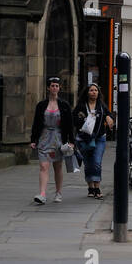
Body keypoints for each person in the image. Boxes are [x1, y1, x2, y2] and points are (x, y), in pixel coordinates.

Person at [29, 76, 79, 204]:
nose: (54, 88)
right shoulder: (41, 105)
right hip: (44, 138)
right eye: (52, 86)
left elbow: (69, 124)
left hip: (58, 138)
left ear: (59, 88)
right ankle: (42, 194)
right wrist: (33, 139)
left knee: (57, 166)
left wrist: (71, 141)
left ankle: (58, 192)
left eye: (57, 86)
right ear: (48, 88)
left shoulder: (64, 105)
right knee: (43, 166)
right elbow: (36, 123)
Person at [73, 83, 115, 200]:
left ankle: (97, 188)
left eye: (96, 90)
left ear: (98, 93)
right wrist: (82, 120)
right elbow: (74, 119)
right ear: (87, 92)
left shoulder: (101, 105)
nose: (94, 92)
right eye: (91, 90)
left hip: (99, 138)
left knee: (96, 162)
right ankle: (90, 188)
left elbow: (109, 114)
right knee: (88, 163)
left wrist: (109, 117)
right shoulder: (81, 106)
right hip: (84, 139)